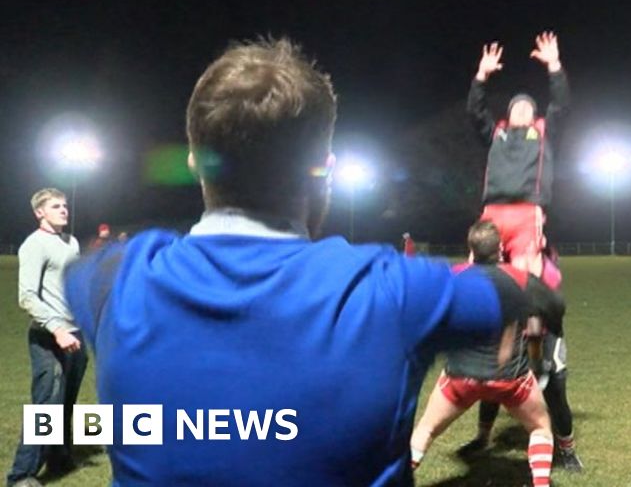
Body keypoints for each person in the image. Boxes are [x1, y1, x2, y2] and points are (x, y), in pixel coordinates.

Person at [63, 38, 539, 486]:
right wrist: (531, 243)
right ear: (325, 169)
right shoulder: (394, 290)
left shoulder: (106, 279)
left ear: (194, 162)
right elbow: (517, 293)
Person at [409, 221, 564, 487]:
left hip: (460, 378)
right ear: (500, 249)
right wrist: (542, 322)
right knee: (540, 427)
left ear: (471, 249)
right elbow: (556, 306)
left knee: (425, 429)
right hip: (510, 379)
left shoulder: (454, 277)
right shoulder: (520, 278)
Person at [458, 245, 584, 472]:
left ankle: (567, 450)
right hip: (514, 329)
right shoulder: (501, 257)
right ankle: (483, 437)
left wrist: (537, 361)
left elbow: (547, 311)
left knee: (554, 389)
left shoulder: (545, 264)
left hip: (545, 331)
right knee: (494, 380)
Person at [467, 32, 569, 277]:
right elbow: (475, 111)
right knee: (477, 272)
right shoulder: (497, 133)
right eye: (517, 107)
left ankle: (534, 297)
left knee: (525, 273)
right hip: (492, 212)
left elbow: (561, 104)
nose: (522, 110)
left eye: (528, 108)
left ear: (535, 116)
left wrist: (554, 65)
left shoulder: (543, 132)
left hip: (527, 212)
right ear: (508, 114)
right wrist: (481, 75)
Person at [7, 188, 87, 487]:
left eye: (64, 205)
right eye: (55, 206)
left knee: (66, 403)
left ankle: (58, 457)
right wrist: (57, 329)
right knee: (47, 406)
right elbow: (27, 296)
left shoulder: (71, 242)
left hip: (75, 334)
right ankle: (21, 474)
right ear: (39, 212)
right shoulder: (34, 245)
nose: (64, 210)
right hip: (49, 337)